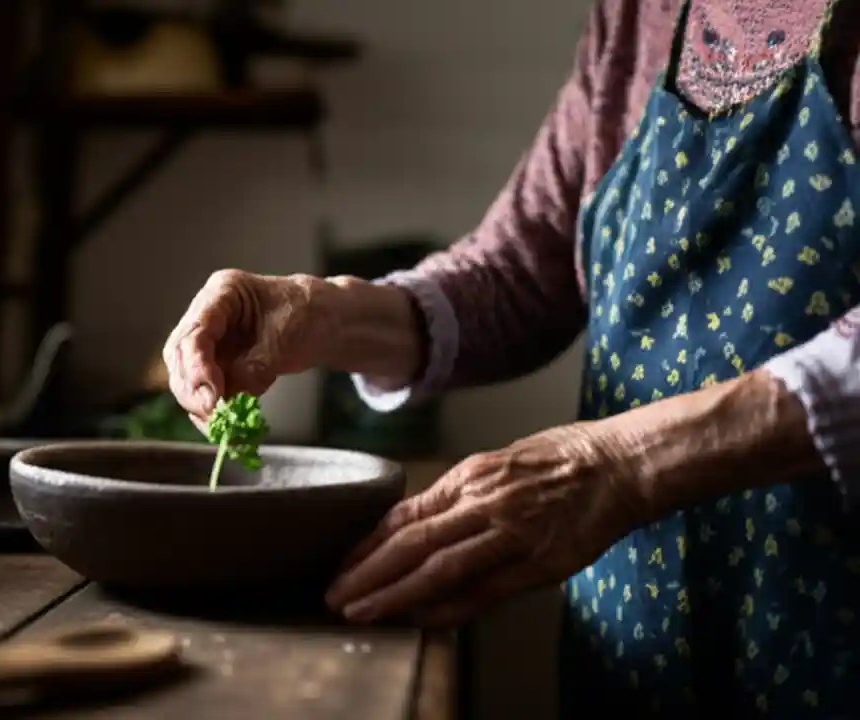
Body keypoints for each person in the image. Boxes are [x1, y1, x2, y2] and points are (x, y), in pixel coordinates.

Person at [162, 0, 860, 716]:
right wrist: (327, 313)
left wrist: (623, 463)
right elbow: (523, 270)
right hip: (636, 643)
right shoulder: (636, 16)